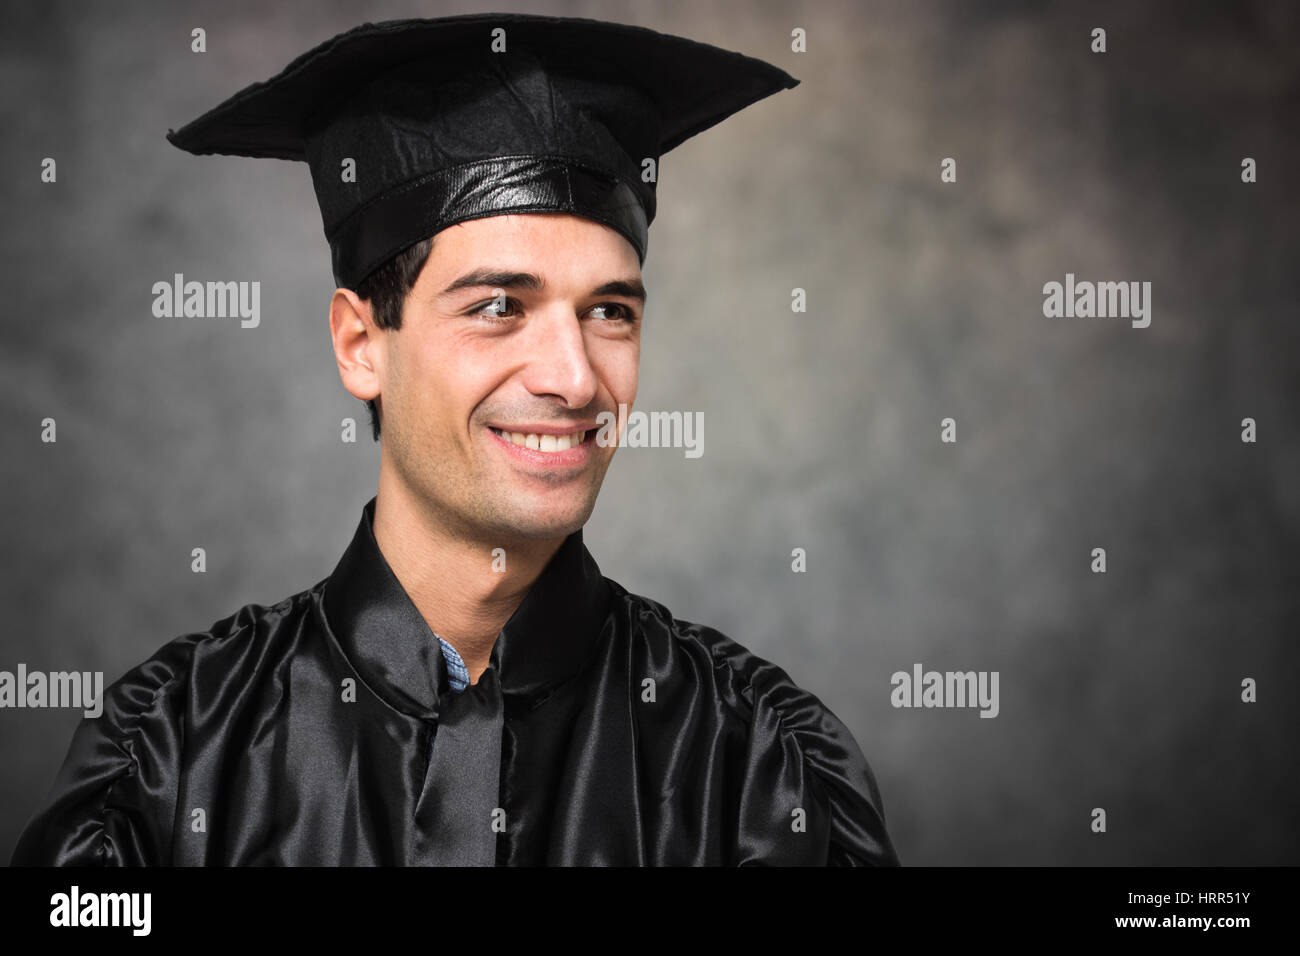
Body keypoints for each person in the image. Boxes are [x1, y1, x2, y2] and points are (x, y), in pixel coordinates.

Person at [11, 13, 900, 866]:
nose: (576, 378)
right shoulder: (169, 760)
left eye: (610, 311)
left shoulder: (752, 768)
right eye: (499, 306)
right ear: (362, 346)